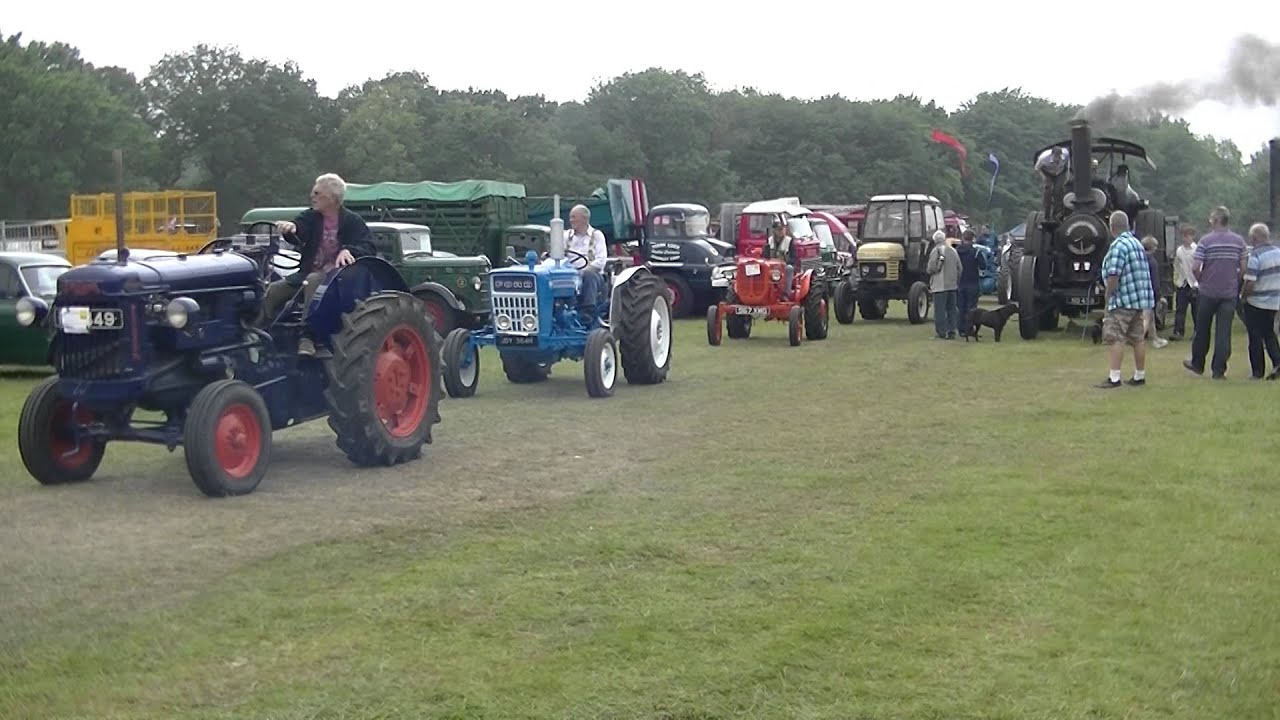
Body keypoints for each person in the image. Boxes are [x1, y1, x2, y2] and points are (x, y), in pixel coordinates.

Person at [263, 173, 375, 356]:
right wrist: (290, 229)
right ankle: (259, 334)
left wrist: (349, 250)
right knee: (274, 289)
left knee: (314, 280)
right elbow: (299, 227)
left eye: (316, 193)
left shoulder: (353, 221)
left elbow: (367, 246)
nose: (312, 196)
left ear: (331, 198)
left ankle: (308, 336)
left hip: (338, 281)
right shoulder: (312, 217)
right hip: (305, 275)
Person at [1184, 206, 1247, 379]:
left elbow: (1196, 267)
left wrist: (1202, 278)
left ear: (1216, 220)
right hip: (1229, 293)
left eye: (1211, 219)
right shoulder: (1239, 241)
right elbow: (1243, 268)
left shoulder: (1206, 241)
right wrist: (1235, 279)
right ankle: (1219, 370)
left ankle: (1197, 364)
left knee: (1202, 329)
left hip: (1208, 292)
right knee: (1223, 332)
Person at [1097, 211, 1155, 388]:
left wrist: (1108, 296)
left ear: (1111, 227)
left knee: (1115, 338)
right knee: (1137, 338)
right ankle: (1139, 375)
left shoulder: (1118, 246)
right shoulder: (1136, 244)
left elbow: (1114, 274)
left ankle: (1114, 377)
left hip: (1122, 300)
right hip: (1138, 300)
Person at [1239, 223, 1280, 380]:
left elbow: (1250, 281)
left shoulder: (1256, 256)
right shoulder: (1278, 252)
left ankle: (1257, 371)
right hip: (1274, 301)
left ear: (1254, 238)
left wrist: (1243, 297)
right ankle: (1277, 362)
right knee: (1269, 333)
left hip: (1257, 301)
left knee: (1255, 336)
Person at [562, 204, 609, 322]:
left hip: (593, 276)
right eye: (570, 217)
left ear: (584, 218)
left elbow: (600, 261)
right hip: (569, 273)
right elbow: (559, 254)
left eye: (573, 217)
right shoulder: (566, 235)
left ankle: (588, 311)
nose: (570, 220)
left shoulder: (597, 235)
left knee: (588, 275)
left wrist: (583, 271)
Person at [926, 229, 960, 339]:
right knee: (952, 310)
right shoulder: (953, 251)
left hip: (939, 286)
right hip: (952, 285)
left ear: (935, 240)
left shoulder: (936, 251)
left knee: (940, 311)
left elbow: (931, 268)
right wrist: (955, 280)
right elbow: (960, 268)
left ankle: (941, 332)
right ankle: (952, 332)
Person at [1140, 235, 1169, 348]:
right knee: (1146, 318)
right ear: (1152, 247)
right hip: (1148, 293)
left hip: (1139, 291)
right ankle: (1138, 340)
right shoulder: (1152, 262)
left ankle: (1155, 339)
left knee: (1150, 317)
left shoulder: (1139, 259)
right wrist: (1159, 296)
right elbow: (1155, 281)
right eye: (1155, 246)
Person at [1171, 224, 1198, 340]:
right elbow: (1177, 266)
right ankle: (1178, 332)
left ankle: (1198, 332)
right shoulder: (1179, 250)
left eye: (1188, 236)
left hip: (1194, 283)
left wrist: (1197, 283)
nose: (1186, 238)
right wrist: (1178, 280)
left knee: (1196, 311)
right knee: (1180, 309)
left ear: (1192, 236)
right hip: (1183, 283)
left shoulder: (1196, 249)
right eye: (1184, 236)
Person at [955, 229, 985, 320]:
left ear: (962, 238)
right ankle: (969, 328)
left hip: (959, 282)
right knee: (971, 308)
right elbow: (983, 266)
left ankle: (961, 328)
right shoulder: (976, 252)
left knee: (961, 307)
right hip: (972, 282)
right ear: (973, 239)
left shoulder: (956, 252)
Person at [762, 221, 797, 299]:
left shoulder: (789, 241)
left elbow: (794, 257)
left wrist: (785, 261)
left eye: (782, 229)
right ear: (774, 230)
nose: (781, 231)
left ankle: (786, 293)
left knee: (789, 268)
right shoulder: (769, 241)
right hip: (770, 266)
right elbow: (763, 256)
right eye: (779, 229)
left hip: (784, 265)